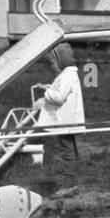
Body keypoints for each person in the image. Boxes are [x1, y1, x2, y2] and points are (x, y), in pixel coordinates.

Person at [30, 42, 86, 197]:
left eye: (53, 63)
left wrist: (47, 92)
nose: (52, 66)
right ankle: (72, 184)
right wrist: (48, 86)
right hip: (68, 120)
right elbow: (62, 90)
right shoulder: (68, 74)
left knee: (66, 153)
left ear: (61, 61)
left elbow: (59, 97)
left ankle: (68, 186)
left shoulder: (67, 75)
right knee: (71, 152)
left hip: (65, 122)